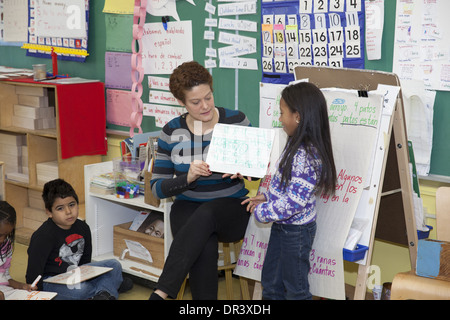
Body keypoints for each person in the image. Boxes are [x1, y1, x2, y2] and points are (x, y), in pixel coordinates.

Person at [149, 61, 252, 300]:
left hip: (232, 208)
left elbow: (257, 172)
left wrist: (244, 170)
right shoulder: (171, 132)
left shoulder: (236, 121)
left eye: (208, 97)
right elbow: (157, 189)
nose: (205, 106)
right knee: (202, 243)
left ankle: (161, 292)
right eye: (195, 102)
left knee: (205, 215)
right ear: (181, 102)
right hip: (188, 207)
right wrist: (188, 178)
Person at [242, 82, 337, 300]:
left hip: (297, 233)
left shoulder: (306, 155)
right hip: (283, 227)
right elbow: (283, 183)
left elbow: (294, 203)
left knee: (296, 290)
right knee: (271, 283)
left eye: (282, 113)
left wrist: (261, 212)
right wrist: (266, 196)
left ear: (298, 117)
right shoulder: (295, 145)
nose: (279, 119)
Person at [25, 179, 133, 300]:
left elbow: (85, 265)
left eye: (72, 205)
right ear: (49, 212)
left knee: (114, 265)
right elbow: (33, 275)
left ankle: (104, 291)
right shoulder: (43, 236)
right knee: (82, 290)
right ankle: (108, 288)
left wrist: (85, 277)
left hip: (75, 275)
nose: (68, 212)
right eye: (60, 208)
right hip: (50, 281)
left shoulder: (83, 227)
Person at [0, 201, 37, 300]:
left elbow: (5, 277)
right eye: (0, 235)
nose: (2, 239)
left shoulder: (6, 246)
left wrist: (22, 286)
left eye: (7, 234)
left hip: (5, 290)